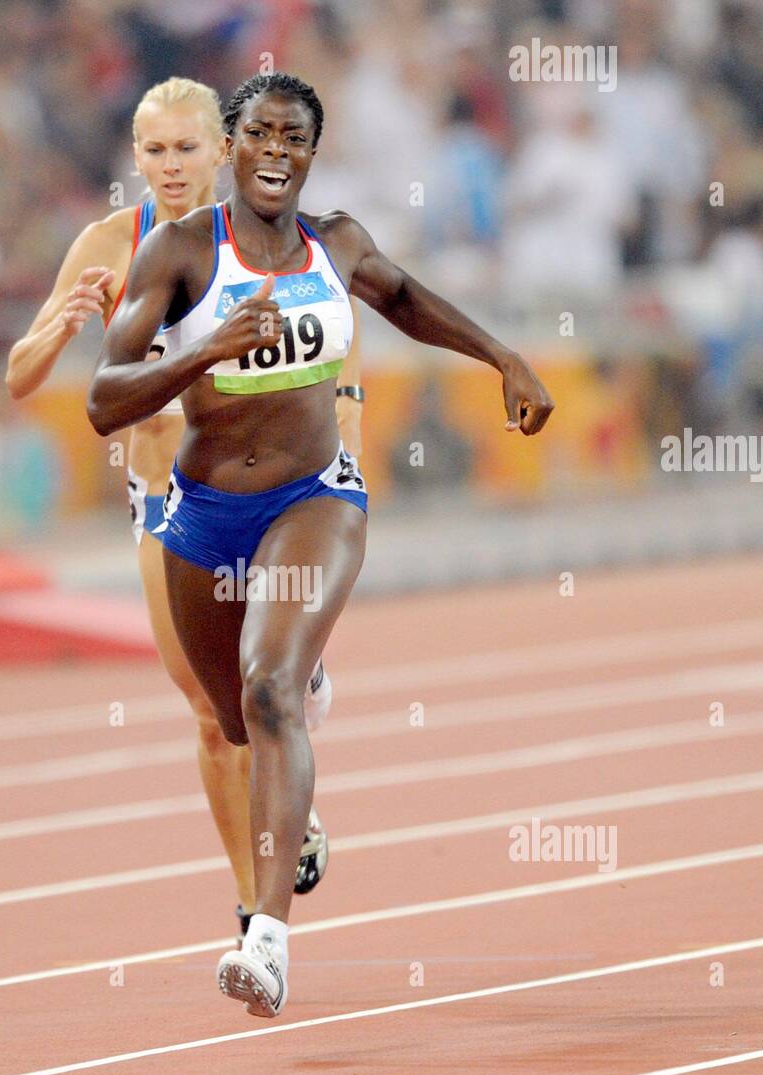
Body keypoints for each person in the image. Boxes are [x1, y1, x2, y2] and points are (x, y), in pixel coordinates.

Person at [88, 72, 553, 1018]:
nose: (274, 152)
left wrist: (504, 357)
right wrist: (203, 352)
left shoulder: (334, 243)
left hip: (315, 497)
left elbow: (409, 300)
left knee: (269, 691)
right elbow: (105, 397)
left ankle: (266, 942)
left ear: (309, 151)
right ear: (233, 144)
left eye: (292, 138)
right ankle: (299, 700)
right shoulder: (180, 252)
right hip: (206, 510)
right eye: (257, 133)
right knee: (230, 721)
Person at [7, 78, 363, 944]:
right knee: (211, 713)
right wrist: (67, 324)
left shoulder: (267, 234)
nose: (172, 167)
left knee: (267, 688)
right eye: (156, 152)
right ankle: (252, 904)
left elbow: (334, 348)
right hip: (163, 498)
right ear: (136, 159)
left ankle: (296, 707)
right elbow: (20, 375)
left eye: (188, 149)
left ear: (224, 148)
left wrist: (342, 421)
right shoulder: (110, 242)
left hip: (277, 487)